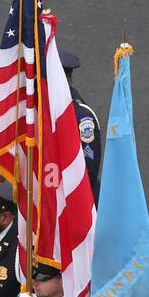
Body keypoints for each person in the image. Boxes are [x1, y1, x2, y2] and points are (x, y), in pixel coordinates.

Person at [59, 48, 103, 205]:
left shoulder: (83, 117)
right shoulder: (37, 110)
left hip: (77, 203)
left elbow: (88, 169)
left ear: (68, 81)